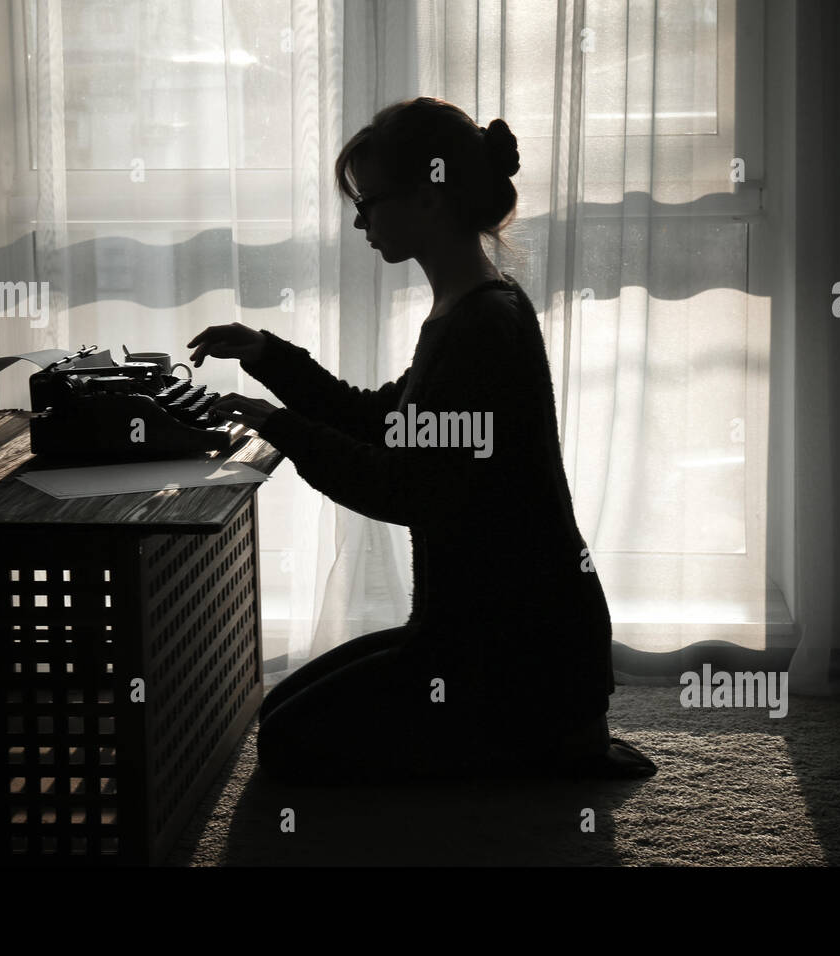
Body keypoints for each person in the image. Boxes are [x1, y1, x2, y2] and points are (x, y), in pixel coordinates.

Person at [187, 97, 654, 784]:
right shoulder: (470, 306)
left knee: (286, 740)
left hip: (518, 649)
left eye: (370, 201)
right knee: (281, 713)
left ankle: (544, 742)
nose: (359, 220)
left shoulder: (481, 326)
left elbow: (402, 488)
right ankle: (536, 736)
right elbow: (384, 418)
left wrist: (280, 428)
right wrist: (267, 354)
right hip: (483, 631)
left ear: (430, 199)